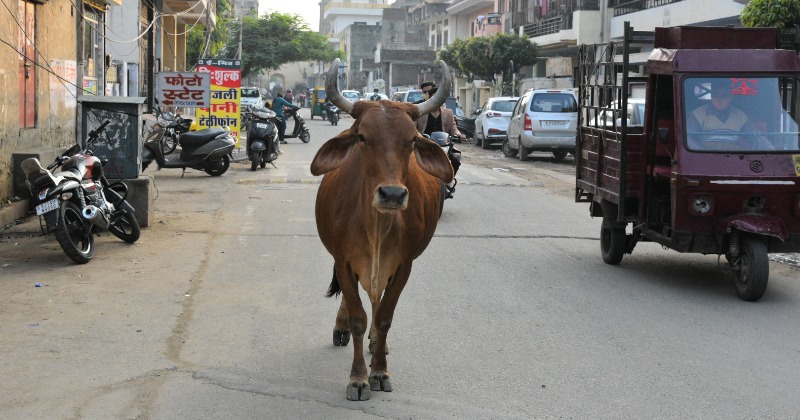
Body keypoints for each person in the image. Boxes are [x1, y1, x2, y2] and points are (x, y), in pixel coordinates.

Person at [686, 80, 773, 150]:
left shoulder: (740, 115)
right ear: (711, 96)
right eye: (715, 95)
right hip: (703, 161)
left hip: (733, 161)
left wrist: (770, 149)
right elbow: (688, 139)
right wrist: (701, 153)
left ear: (731, 97)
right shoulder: (697, 115)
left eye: (724, 95)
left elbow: (754, 137)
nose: (719, 99)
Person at [415, 85, 465, 196]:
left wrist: (459, 135)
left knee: (456, 158)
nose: (437, 101)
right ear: (430, 99)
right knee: (412, 160)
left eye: (439, 99)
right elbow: (414, 128)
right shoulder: (421, 112)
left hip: (443, 145)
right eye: (434, 98)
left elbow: (454, 128)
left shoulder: (448, 113)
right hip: (424, 145)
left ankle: (448, 180)